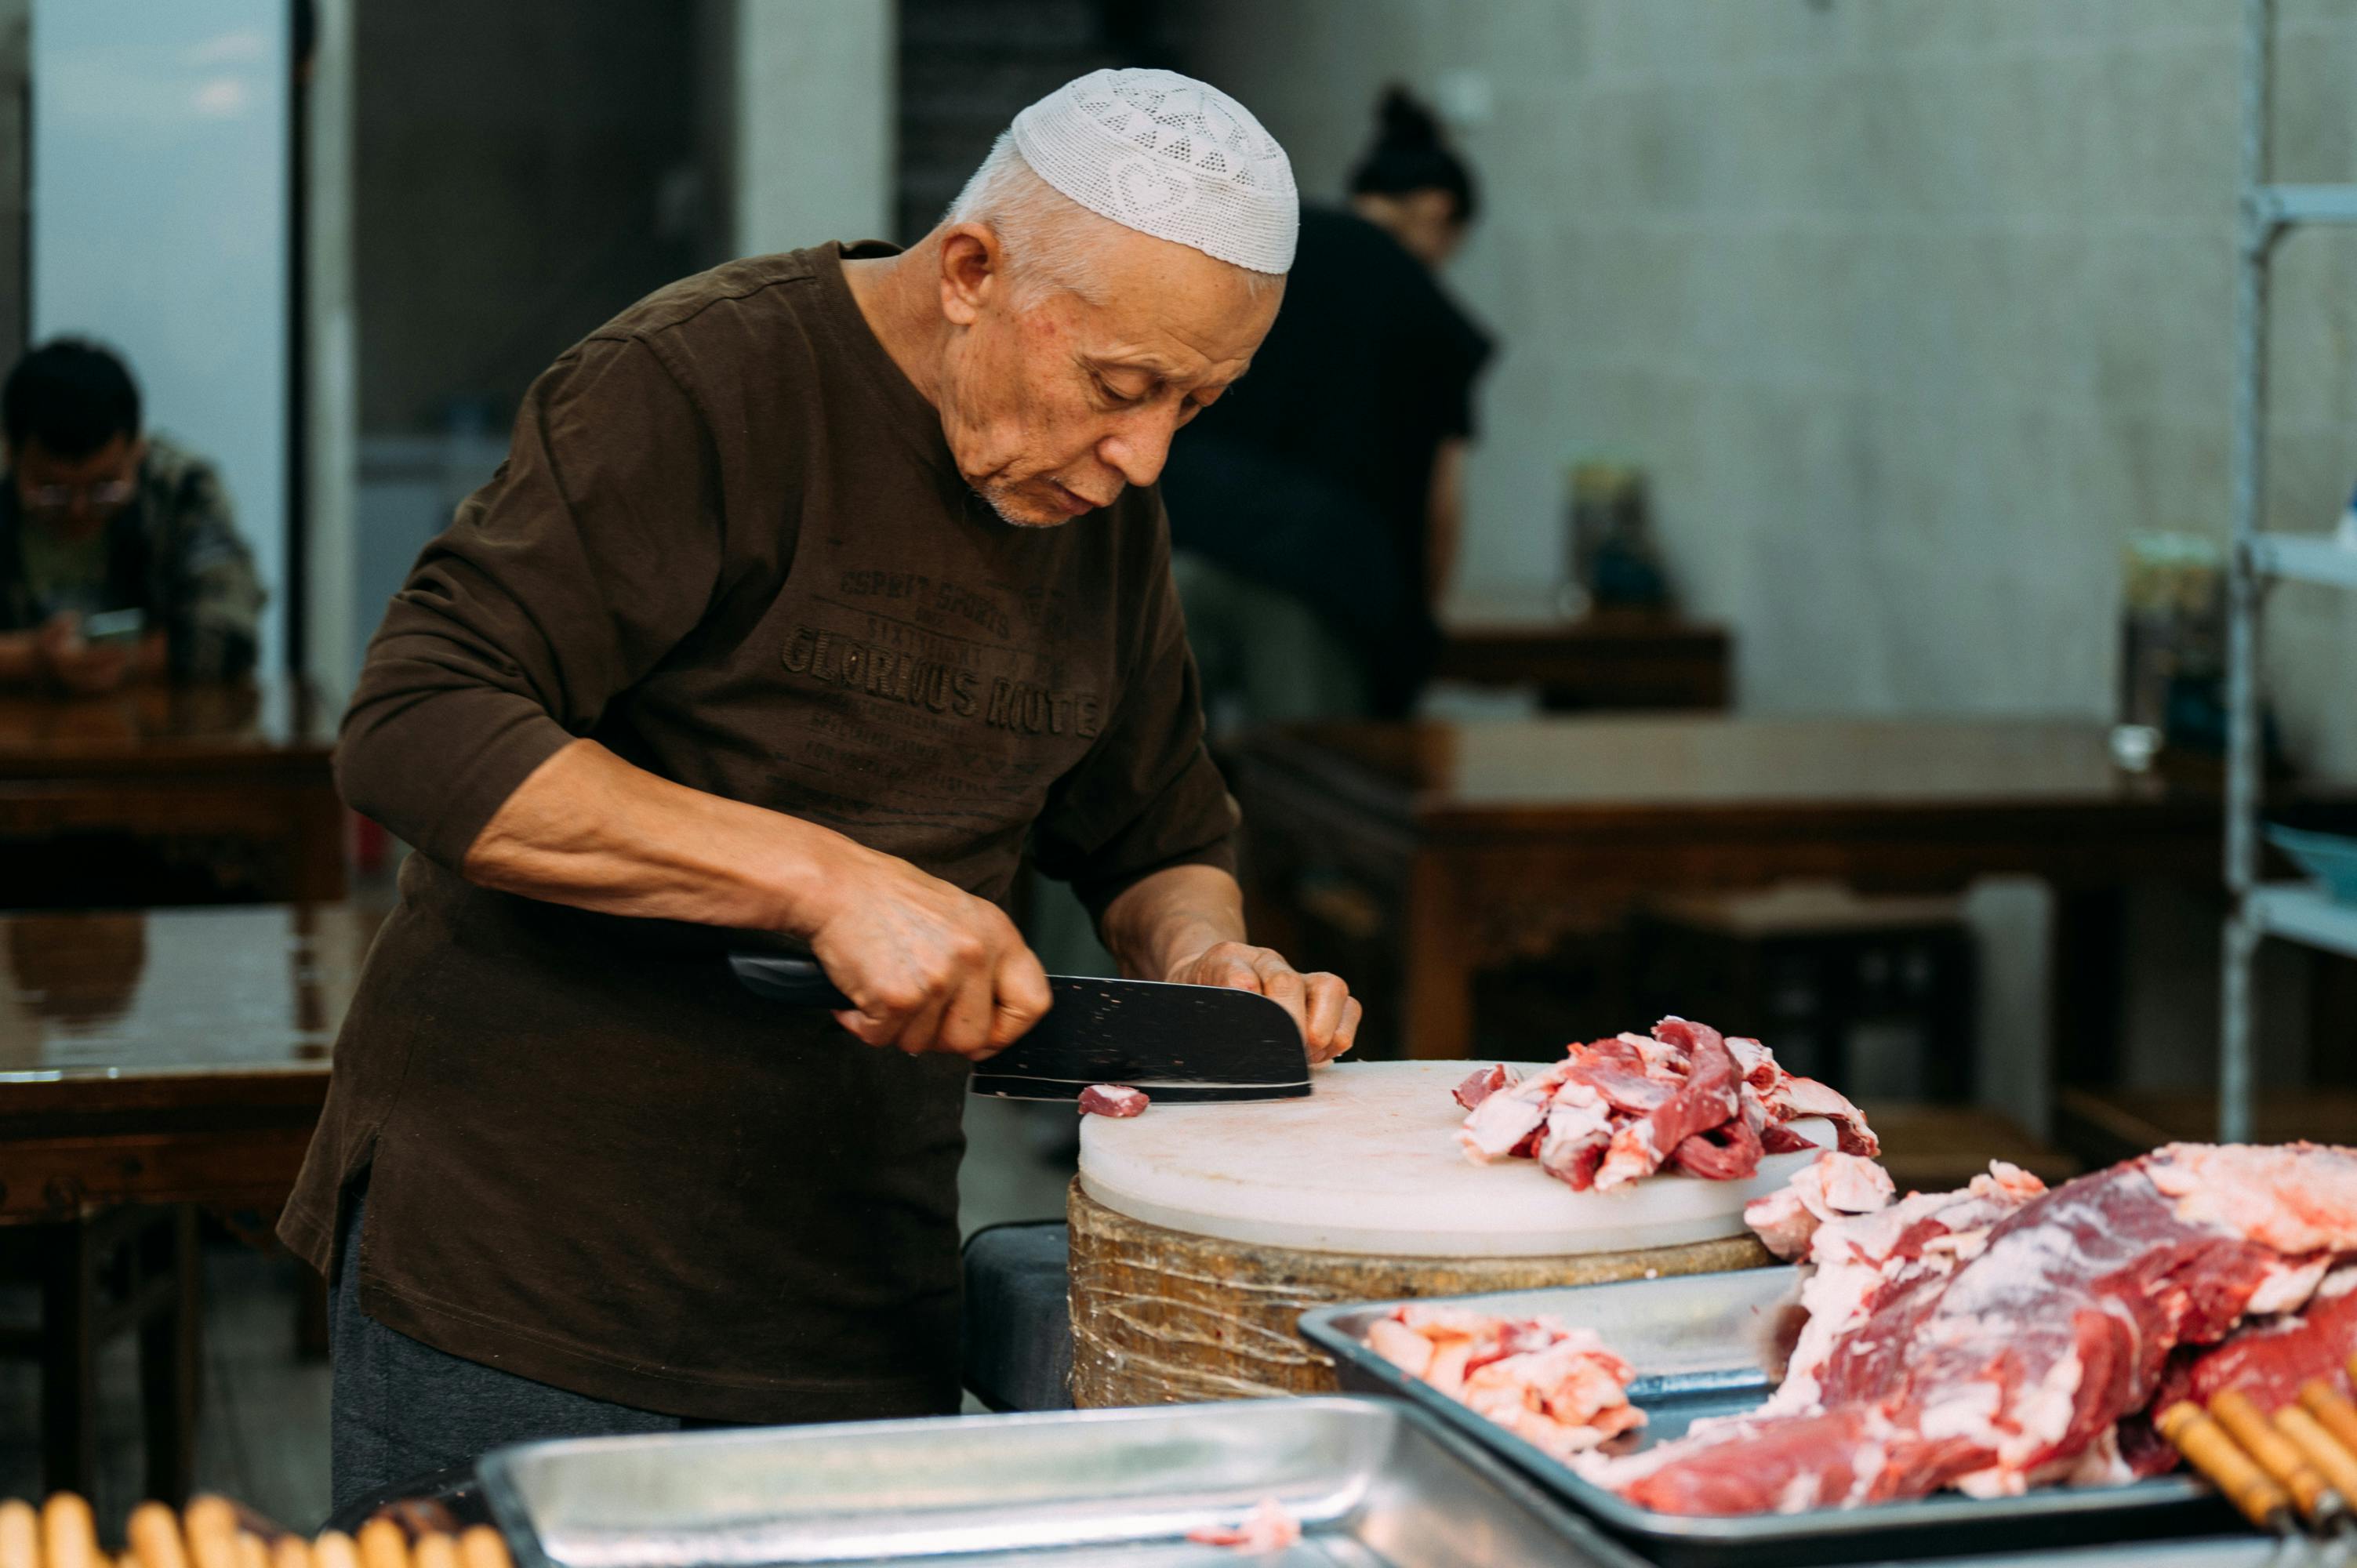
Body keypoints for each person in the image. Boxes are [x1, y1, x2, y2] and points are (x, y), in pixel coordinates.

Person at [283, 68, 1361, 1504]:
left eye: (1195, 404)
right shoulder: (702, 385)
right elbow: (418, 726)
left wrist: (1204, 956)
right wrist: (827, 881)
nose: (1145, 454)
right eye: (1118, 388)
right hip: (532, 1264)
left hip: (854, 1281)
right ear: (972, 270)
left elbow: (1154, 822)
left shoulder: (1097, 504)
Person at [1162, 86, 1493, 724]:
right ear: (1437, 210)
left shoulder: (1263, 249)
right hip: (1320, 576)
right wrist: (1412, 628)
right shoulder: (1422, 306)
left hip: (1182, 541)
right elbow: (1440, 504)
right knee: (1313, 796)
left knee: (1144, 784)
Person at [0, 339, 264, 691]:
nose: (79, 511)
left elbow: (232, 633)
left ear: (137, 450)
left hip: (161, 736)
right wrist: (31, 660)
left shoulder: (181, 489)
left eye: (105, 487)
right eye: (52, 492)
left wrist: (125, 659)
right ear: (10, 457)